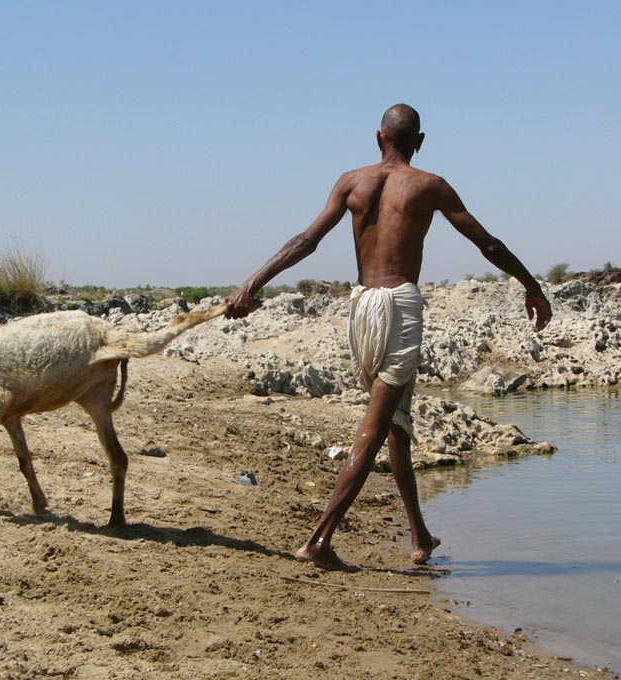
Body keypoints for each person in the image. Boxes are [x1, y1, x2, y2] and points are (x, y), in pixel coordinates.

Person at [226, 104, 552, 571]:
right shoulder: (429, 185)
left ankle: (420, 536)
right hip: (399, 306)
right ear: (419, 141)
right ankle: (319, 540)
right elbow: (489, 244)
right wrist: (532, 287)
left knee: (397, 423)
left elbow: (305, 240)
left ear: (379, 138)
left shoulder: (351, 181)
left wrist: (251, 284)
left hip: (360, 307)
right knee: (377, 427)